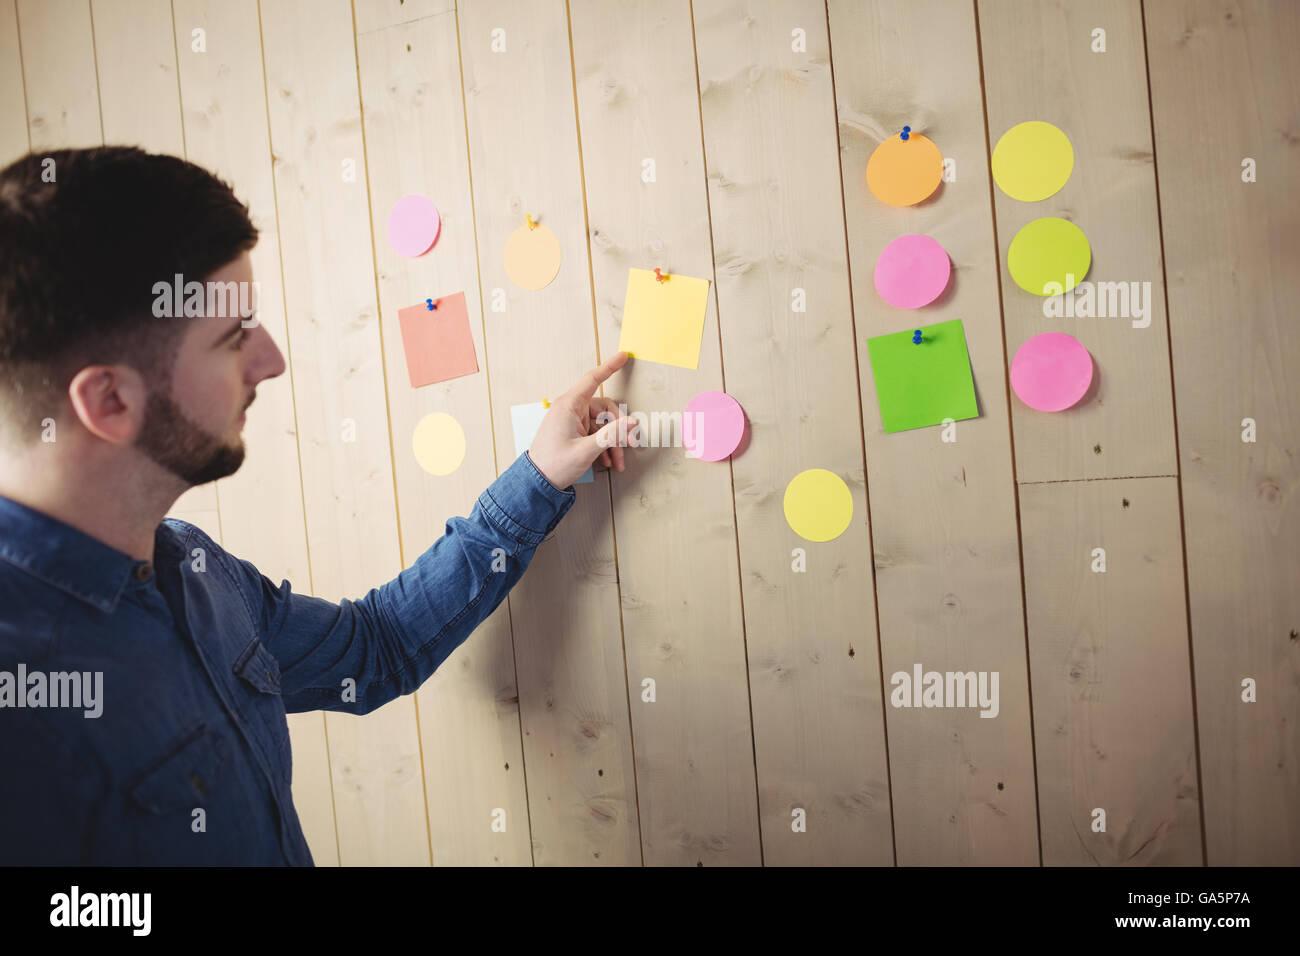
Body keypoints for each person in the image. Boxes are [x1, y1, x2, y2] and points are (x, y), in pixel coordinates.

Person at [0, 146, 639, 864]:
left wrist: (539, 475)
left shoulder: (192, 567)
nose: (270, 359)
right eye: (233, 335)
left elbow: (377, 647)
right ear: (110, 400)